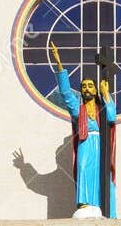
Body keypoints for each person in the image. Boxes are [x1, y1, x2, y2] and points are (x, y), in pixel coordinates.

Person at [50, 41, 117, 216]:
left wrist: (106, 94)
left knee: (101, 173)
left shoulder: (102, 107)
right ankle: (85, 204)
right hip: (85, 143)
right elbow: (65, 92)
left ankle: (101, 205)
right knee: (83, 167)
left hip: (101, 144)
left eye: (90, 86)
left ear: (95, 90)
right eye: (84, 86)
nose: (87, 88)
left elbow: (111, 117)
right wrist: (59, 64)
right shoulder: (76, 108)